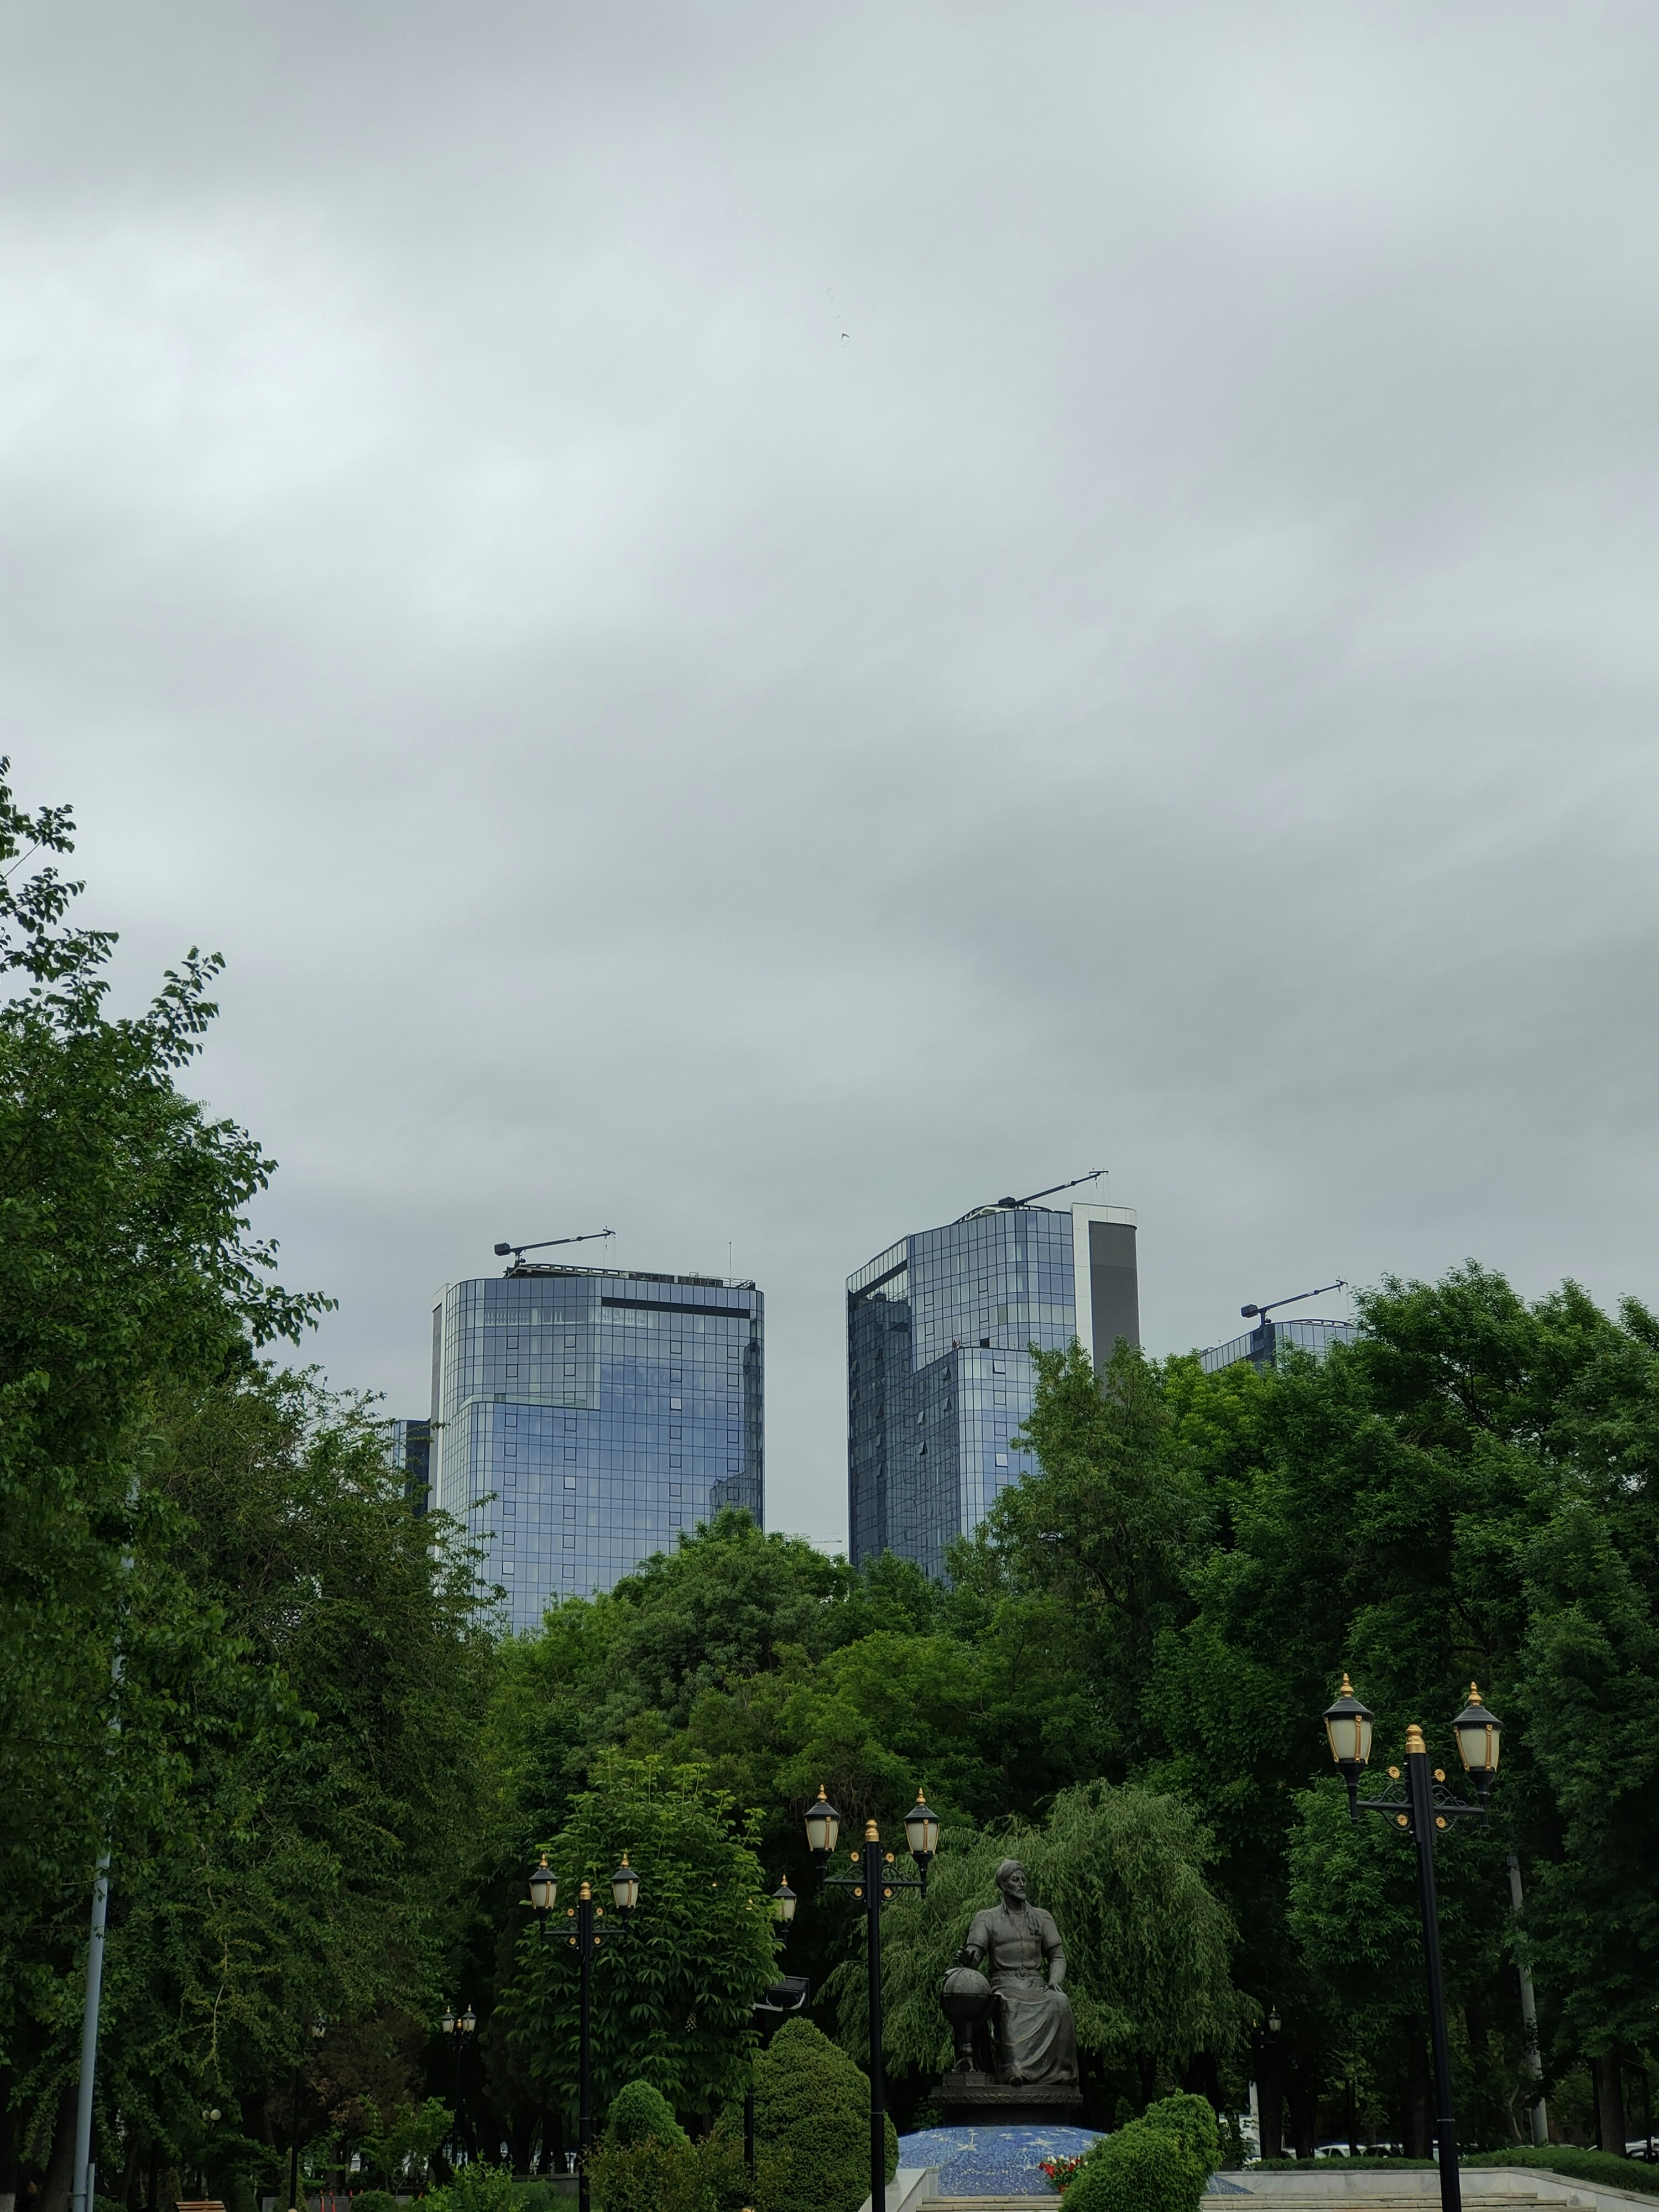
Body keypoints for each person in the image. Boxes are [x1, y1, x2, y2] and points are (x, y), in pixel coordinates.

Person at [957, 1858, 1078, 2085]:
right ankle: (1014, 2070)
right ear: (1004, 1885)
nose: (1022, 1884)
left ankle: (1062, 2071)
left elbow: (1058, 1957)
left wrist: (1054, 1981)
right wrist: (968, 1960)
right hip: (1005, 1985)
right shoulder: (986, 1918)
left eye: (1024, 1880)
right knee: (1006, 2003)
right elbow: (974, 1958)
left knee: (1061, 2002)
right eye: (1016, 1880)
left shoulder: (1042, 1917)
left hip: (1037, 1985)